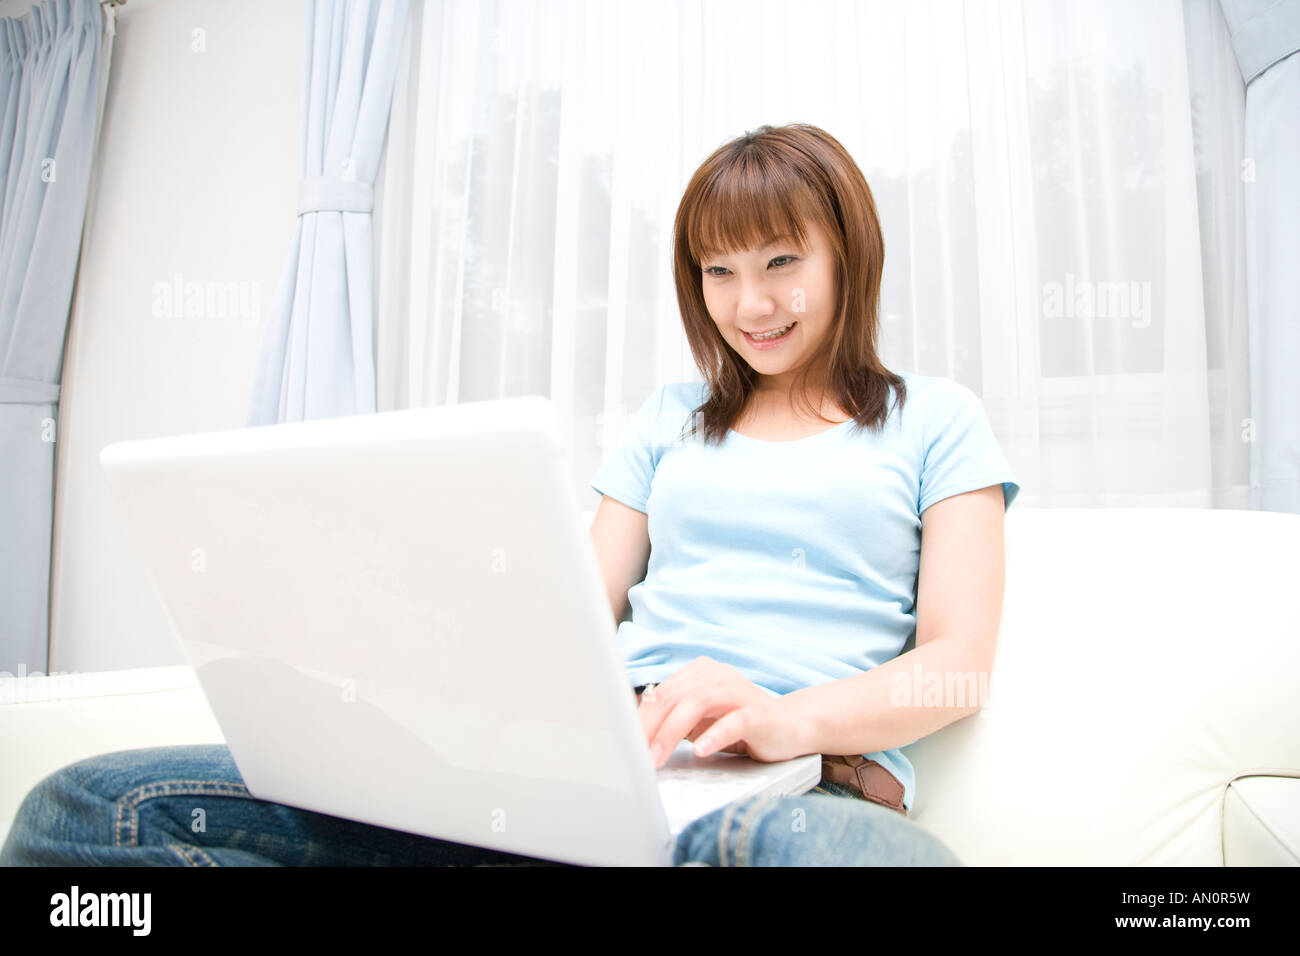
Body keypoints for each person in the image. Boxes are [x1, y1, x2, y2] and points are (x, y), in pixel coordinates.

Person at [1, 123, 1018, 867]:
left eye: (781, 261)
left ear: (850, 253)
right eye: (717, 270)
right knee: (86, 809)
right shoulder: (668, 421)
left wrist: (790, 722)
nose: (748, 303)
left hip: (791, 791)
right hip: (592, 776)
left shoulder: (934, 418)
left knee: (815, 854)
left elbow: (954, 665)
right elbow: (564, 612)